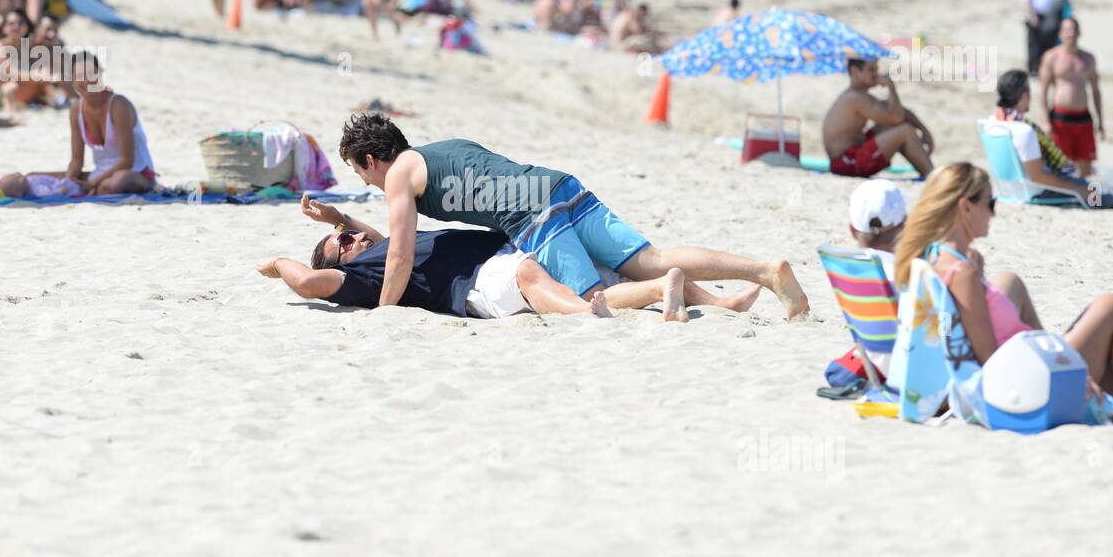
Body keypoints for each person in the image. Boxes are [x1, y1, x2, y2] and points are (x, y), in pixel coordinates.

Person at [335, 113, 808, 318]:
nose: (366, 182)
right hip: (556, 184)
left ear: (372, 159)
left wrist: (384, 311)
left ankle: (684, 293)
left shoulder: (398, 174)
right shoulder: (444, 148)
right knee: (649, 259)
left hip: (531, 215)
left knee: (595, 300)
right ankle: (762, 271)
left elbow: (397, 256)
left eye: (360, 171)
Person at [255, 195, 762, 322]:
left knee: (608, 269)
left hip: (505, 249)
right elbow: (306, 284)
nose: (351, 239)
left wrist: (335, 220)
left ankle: (716, 302)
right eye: (341, 245)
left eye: (349, 235)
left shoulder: (386, 246)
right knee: (535, 278)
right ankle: (610, 308)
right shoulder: (364, 279)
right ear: (338, 265)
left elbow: (369, 232)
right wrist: (280, 261)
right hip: (480, 283)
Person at [893, 163, 1113, 402]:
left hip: (1024, 368)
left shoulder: (934, 257)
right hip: (1023, 386)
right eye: (990, 203)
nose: (993, 213)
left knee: (1010, 280)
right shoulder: (962, 274)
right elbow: (989, 361)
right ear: (965, 208)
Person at [990, 70, 1113, 211]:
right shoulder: (1023, 131)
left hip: (1011, 190)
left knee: (1099, 186)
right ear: (1024, 96)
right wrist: (1079, 190)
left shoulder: (993, 123)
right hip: (1039, 193)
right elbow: (1039, 177)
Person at [57, 51, 157, 195]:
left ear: (100, 74)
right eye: (79, 76)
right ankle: (96, 187)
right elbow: (77, 160)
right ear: (72, 80)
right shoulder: (75, 109)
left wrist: (92, 183)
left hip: (135, 174)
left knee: (115, 182)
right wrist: (68, 181)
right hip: (100, 175)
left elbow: (127, 161)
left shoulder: (118, 105)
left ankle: (97, 188)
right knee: (33, 178)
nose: (86, 80)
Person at [823, 58, 934, 178]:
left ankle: (927, 171)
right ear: (855, 72)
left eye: (877, 69)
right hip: (846, 163)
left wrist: (924, 130)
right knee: (905, 131)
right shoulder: (855, 97)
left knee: (893, 125)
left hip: (849, 157)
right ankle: (931, 174)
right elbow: (896, 117)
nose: (877, 74)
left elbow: (900, 112)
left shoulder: (855, 95)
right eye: (871, 70)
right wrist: (891, 88)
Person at [1035, 18, 1102, 176]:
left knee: (1086, 165)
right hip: (1060, 117)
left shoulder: (1088, 59)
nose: (1071, 33)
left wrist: (1100, 121)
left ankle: (1086, 198)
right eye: (1067, 29)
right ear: (1060, 33)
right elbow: (1042, 92)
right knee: (1061, 163)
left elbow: (1096, 91)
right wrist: (1045, 122)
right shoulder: (1052, 57)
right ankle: (1066, 197)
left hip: (1084, 117)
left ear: (1079, 33)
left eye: (1074, 29)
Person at [1018, 0, 1057, 76]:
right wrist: (1032, 16)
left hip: (1046, 16)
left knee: (1045, 42)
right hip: (1035, 16)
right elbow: (1025, 0)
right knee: (1034, 43)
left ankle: (1043, 67)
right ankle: (1033, 68)